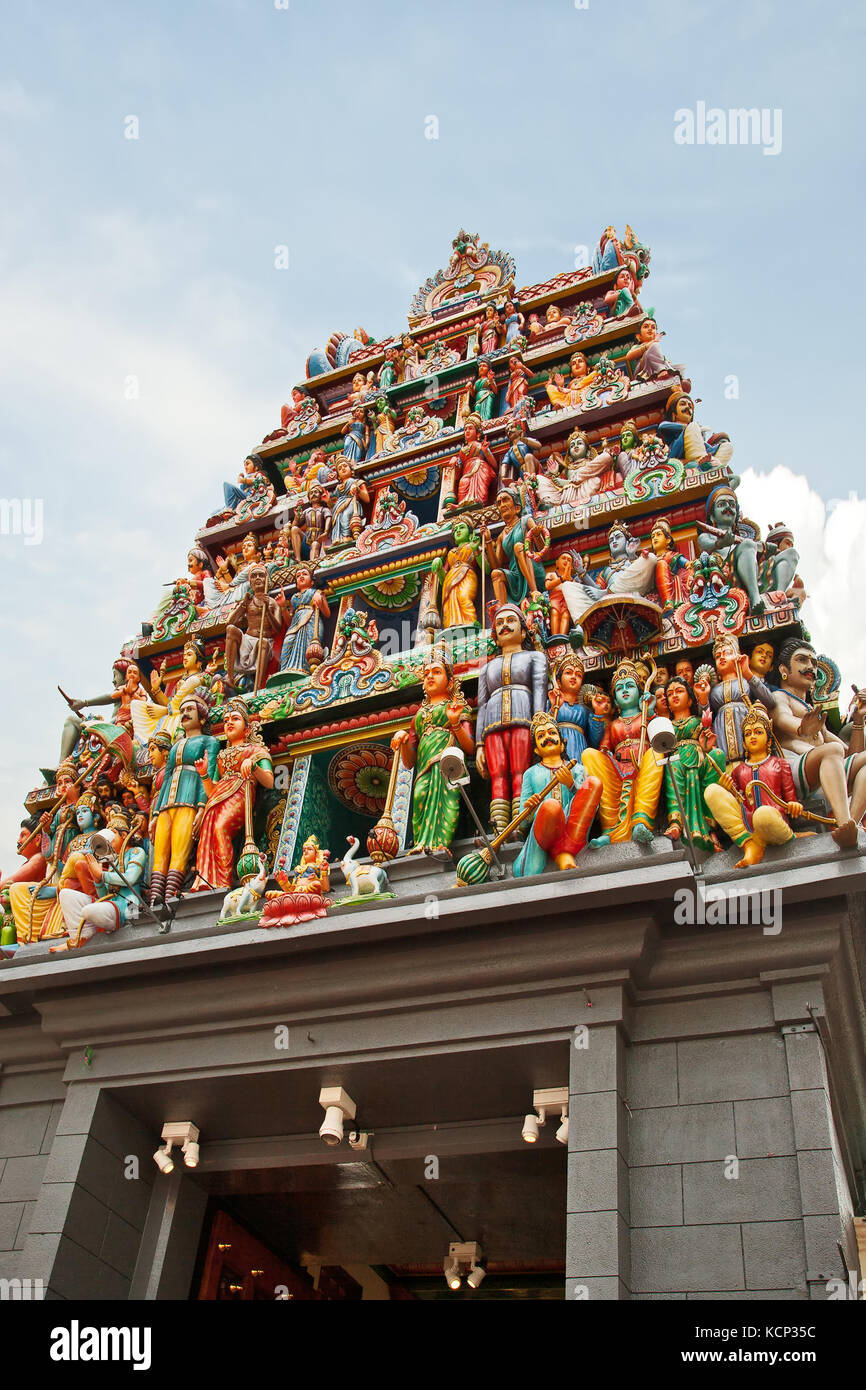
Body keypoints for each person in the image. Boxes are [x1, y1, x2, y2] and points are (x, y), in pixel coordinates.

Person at [771, 637, 866, 848]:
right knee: (830, 750)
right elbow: (782, 719)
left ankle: (852, 825)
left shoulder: (812, 711)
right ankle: (843, 822)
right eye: (802, 660)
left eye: (813, 663)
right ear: (784, 670)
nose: (810, 667)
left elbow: (851, 754)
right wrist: (802, 728)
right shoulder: (780, 697)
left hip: (825, 773)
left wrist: (858, 721)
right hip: (794, 771)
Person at [391, 654, 474, 856]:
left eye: (437, 672)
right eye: (426, 673)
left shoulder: (456, 708)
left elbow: (470, 747)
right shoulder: (418, 717)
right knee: (419, 796)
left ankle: (440, 843)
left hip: (447, 766)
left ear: (450, 681)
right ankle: (421, 843)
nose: (430, 677)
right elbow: (409, 762)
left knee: (447, 801)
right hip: (423, 769)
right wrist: (402, 741)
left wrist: (454, 723)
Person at [475, 604, 549, 833]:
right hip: (492, 725)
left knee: (521, 772)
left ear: (524, 631)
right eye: (499, 623)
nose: (505, 625)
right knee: (497, 775)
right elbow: (482, 704)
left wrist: (539, 726)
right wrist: (478, 744)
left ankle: (521, 823)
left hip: (523, 719)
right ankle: (499, 828)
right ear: (495, 636)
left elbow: (540, 691)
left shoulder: (535, 657)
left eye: (510, 620)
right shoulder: (487, 669)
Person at [704, 706, 805, 868]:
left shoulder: (779, 764)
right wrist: (727, 788)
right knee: (712, 791)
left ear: (769, 739)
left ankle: (790, 837)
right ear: (743, 742)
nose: (753, 737)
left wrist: (794, 806)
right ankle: (749, 844)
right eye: (748, 734)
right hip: (747, 825)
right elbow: (737, 799)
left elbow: (790, 799)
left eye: (758, 732)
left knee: (762, 815)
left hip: (772, 821)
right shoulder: (739, 770)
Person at [191, 699, 275, 891]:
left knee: (221, 828)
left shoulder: (256, 750)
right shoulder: (221, 755)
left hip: (241, 791)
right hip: (218, 796)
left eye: (235, 719)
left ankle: (222, 880)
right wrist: (204, 773)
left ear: (247, 729)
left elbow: (269, 781)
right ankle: (206, 880)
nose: (229, 722)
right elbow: (212, 790)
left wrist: (253, 766)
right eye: (226, 719)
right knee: (209, 832)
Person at [582, 661, 664, 845]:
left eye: (630, 686)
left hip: (642, 764)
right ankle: (610, 830)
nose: (625, 690)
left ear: (640, 692)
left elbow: (661, 734)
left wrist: (649, 712)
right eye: (619, 688)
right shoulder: (613, 725)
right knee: (589, 754)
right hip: (618, 768)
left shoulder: (647, 716)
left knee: (656, 754)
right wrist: (607, 755)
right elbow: (603, 748)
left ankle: (640, 823)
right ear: (616, 700)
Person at [149, 695, 220, 906]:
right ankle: (154, 899)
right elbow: (167, 776)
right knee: (160, 855)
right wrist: (154, 814)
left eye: (190, 709)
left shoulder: (210, 742)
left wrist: (201, 807)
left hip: (189, 801)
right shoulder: (174, 747)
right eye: (183, 710)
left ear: (203, 718)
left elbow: (208, 772)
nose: (185, 713)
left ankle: (170, 896)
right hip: (166, 805)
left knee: (179, 853)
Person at [513, 713, 603, 876]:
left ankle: (564, 852)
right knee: (550, 807)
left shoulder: (577, 769)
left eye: (552, 733)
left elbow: (593, 809)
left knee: (594, 783)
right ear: (536, 749)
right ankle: (563, 855)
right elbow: (523, 822)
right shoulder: (531, 774)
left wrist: (571, 785)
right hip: (544, 832)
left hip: (573, 830)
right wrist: (531, 809)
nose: (547, 737)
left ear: (563, 743)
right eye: (541, 735)